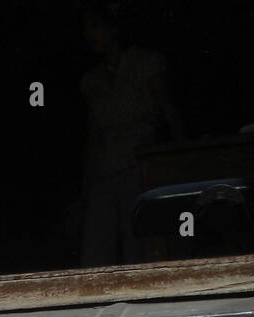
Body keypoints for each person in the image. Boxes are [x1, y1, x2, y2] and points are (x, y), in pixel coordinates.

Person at [79, 4, 184, 265]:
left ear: (113, 29)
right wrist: (86, 184)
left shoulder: (147, 63)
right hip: (104, 170)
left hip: (138, 164)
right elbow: (94, 136)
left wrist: (182, 156)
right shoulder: (91, 81)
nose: (91, 35)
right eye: (87, 28)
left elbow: (168, 109)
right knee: (96, 246)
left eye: (96, 27)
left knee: (138, 240)